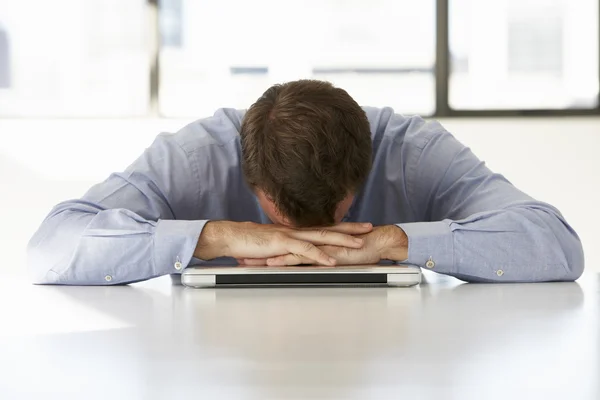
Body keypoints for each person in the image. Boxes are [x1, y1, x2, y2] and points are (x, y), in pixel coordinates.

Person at [27, 80, 584, 285]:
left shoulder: (410, 150)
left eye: (332, 218)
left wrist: (394, 242)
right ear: (249, 175)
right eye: (277, 218)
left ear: (362, 169)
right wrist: (214, 238)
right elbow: (51, 245)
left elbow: (556, 243)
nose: (305, 247)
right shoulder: (198, 155)